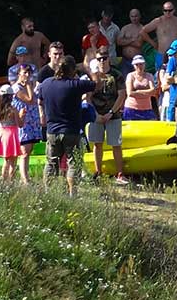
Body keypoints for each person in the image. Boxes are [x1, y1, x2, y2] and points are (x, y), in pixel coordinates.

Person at [39, 56, 95, 197]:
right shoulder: (75, 84)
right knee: (73, 163)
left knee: (51, 162)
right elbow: (96, 83)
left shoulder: (46, 83)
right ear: (72, 70)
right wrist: (87, 68)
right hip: (71, 131)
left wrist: (42, 115)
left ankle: (48, 192)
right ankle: (72, 194)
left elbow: (39, 100)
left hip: (52, 130)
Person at [86, 51, 128, 184]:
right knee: (97, 144)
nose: (102, 61)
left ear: (109, 59)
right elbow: (88, 97)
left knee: (116, 144)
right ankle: (98, 172)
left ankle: (120, 173)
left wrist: (111, 112)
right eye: (99, 59)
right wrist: (96, 114)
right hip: (96, 114)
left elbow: (121, 95)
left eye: (104, 58)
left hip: (113, 114)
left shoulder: (117, 75)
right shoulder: (93, 77)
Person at [12, 65, 41, 181]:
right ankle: (24, 179)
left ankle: (26, 175)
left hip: (32, 121)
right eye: (25, 72)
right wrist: (29, 85)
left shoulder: (30, 86)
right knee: (24, 150)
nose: (27, 75)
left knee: (29, 149)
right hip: (23, 121)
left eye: (29, 72)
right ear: (19, 74)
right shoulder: (16, 88)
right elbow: (29, 99)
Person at [142, 2, 177, 72]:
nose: (168, 12)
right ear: (163, 11)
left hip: (175, 54)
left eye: (170, 10)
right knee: (159, 76)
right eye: (165, 10)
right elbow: (143, 31)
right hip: (161, 53)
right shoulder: (158, 21)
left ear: (174, 10)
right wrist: (153, 43)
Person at [0, 85, 22, 181]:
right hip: (11, 134)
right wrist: (22, 115)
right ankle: (10, 181)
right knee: (12, 162)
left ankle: (3, 179)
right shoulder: (13, 109)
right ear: (10, 96)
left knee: (6, 160)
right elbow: (20, 124)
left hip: (0, 133)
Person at [123, 55, 159, 120]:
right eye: (137, 64)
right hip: (132, 108)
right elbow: (130, 93)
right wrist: (148, 92)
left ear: (144, 64)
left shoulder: (149, 76)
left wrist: (138, 92)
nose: (139, 66)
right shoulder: (130, 76)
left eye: (141, 64)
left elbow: (153, 91)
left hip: (147, 108)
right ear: (134, 66)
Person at [117, 8, 147, 73]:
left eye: (136, 16)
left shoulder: (142, 28)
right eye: (132, 16)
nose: (134, 18)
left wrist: (125, 41)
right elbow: (119, 42)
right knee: (125, 79)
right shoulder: (125, 28)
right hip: (125, 59)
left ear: (139, 16)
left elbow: (138, 44)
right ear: (129, 17)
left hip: (138, 60)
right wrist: (132, 40)